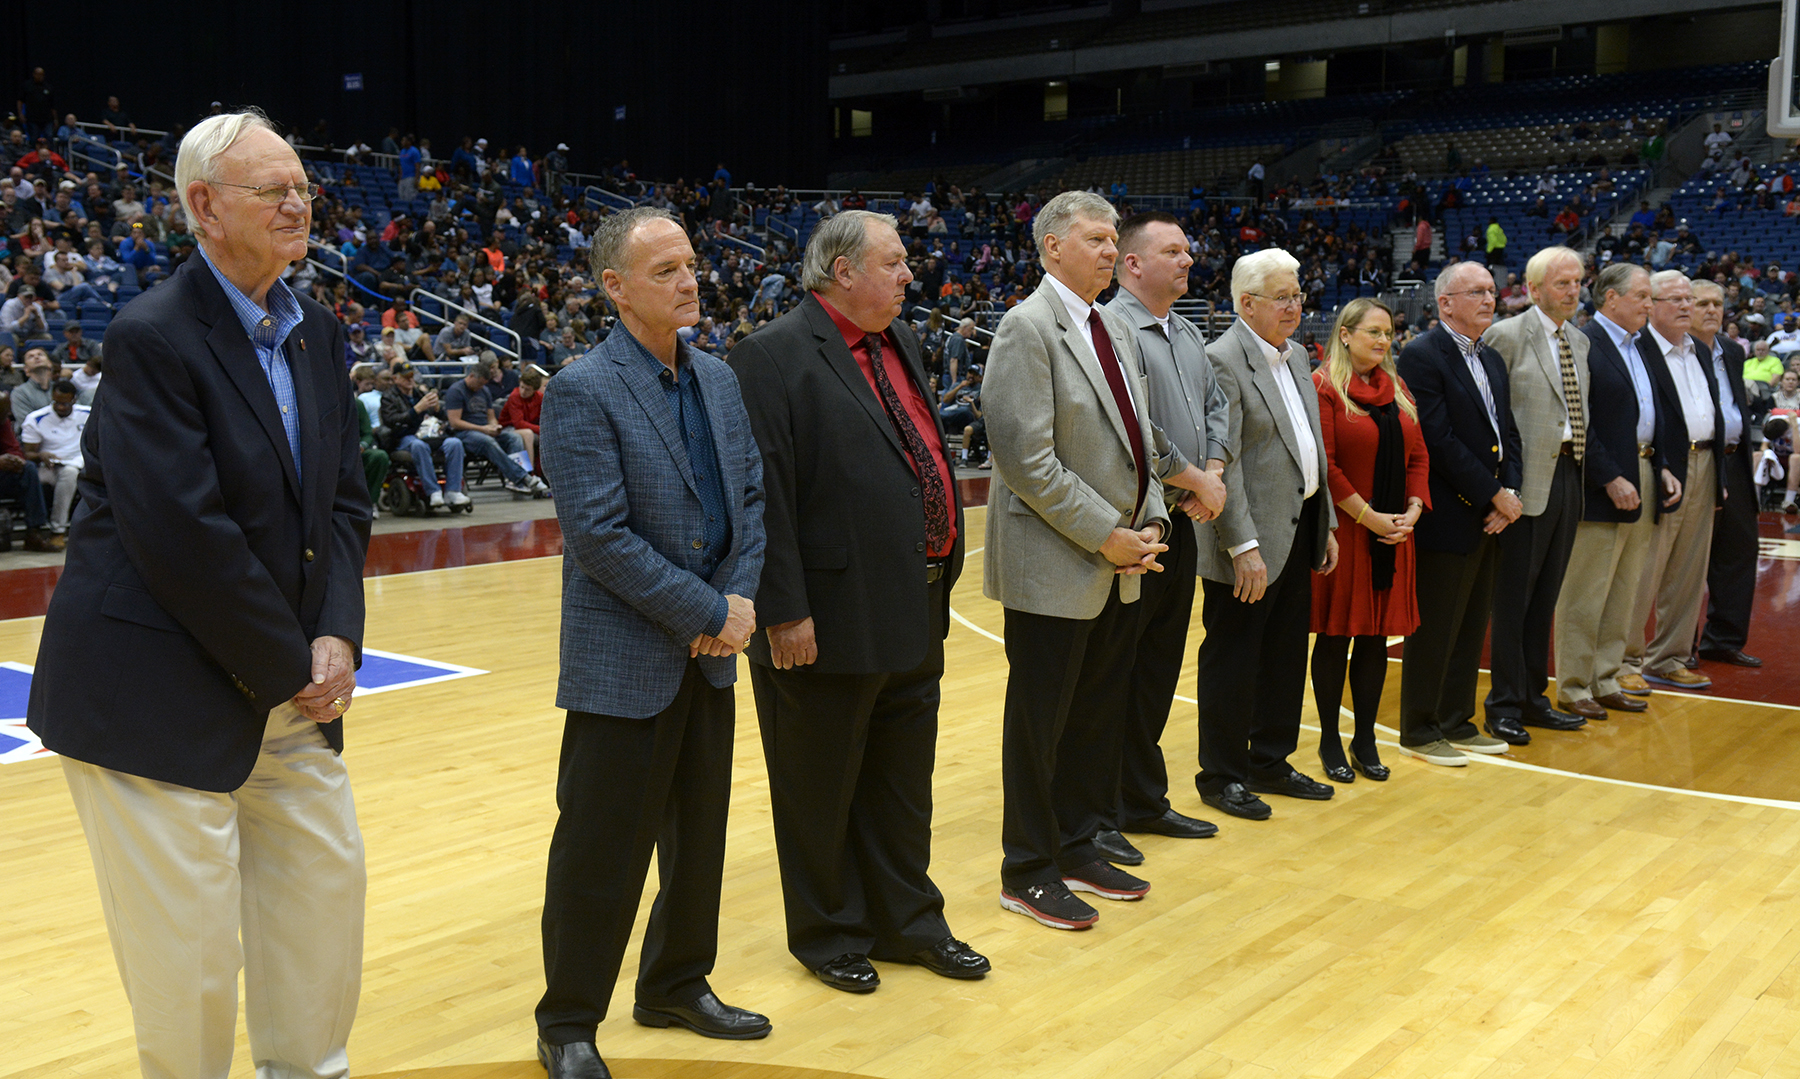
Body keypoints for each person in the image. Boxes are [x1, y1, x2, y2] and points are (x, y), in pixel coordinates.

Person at [26, 109, 371, 1079]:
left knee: (321, 914)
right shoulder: (152, 336)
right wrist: (293, 663)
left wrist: (338, 633)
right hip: (155, 697)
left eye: (303, 183)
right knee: (191, 971)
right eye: (276, 188)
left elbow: (347, 499)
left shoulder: (320, 332)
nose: (299, 200)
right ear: (205, 208)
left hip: (285, 681)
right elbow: (183, 534)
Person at [729, 209, 990, 994]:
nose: (911, 273)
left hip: (914, 600)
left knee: (902, 781)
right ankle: (827, 929)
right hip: (825, 615)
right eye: (896, 261)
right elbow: (762, 491)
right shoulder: (768, 356)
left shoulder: (899, 340)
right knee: (818, 783)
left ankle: (909, 921)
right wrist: (783, 609)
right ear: (844, 272)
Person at [535, 206, 769, 1078]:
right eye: (665, 269)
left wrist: (738, 599)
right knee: (600, 851)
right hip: (628, 659)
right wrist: (709, 612)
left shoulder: (719, 379)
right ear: (615, 288)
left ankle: (676, 981)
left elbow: (749, 500)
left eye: (691, 264)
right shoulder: (583, 387)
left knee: (698, 840)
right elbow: (598, 538)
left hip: (711, 652)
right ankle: (567, 1022)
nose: (688, 280)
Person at [982, 190, 1217, 931]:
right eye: (1095, 239)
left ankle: (1078, 841)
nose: (1111, 250)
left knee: (1092, 714)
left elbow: (1140, 434)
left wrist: (1165, 502)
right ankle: (1027, 867)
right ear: (1053, 247)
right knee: (1040, 721)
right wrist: (1106, 534)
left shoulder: (1104, 325)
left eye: (1115, 238)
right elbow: (1027, 460)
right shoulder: (1027, 328)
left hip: (1119, 556)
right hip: (1060, 558)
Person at [1096, 210, 1229, 866]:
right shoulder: (1115, 329)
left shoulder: (1185, 331)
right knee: (1115, 674)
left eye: (1188, 250)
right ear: (1133, 264)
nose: (1187, 259)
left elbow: (1216, 407)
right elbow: (1140, 429)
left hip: (1179, 521)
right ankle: (1103, 807)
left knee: (1155, 671)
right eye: (1172, 251)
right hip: (1135, 527)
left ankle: (1143, 798)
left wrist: (1214, 473)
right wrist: (1197, 479)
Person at [1191, 248, 1340, 820]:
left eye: (1298, 296)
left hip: (1299, 527)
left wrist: (1323, 522)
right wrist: (1242, 544)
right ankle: (1222, 774)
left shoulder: (1298, 355)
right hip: (1246, 539)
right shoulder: (1220, 360)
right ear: (1246, 303)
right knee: (1233, 657)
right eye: (1283, 297)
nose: (1295, 306)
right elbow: (1226, 464)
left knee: (1283, 655)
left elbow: (1310, 447)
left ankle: (1270, 760)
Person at [1395, 262, 1521, 765]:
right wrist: (1492, 493)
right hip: (1449, 513)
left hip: (1489, 512)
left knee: (1471, 625)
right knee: (1436, 627)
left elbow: (1506, 433)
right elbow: (1437, 440)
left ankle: (1457, 721)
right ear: (1445, 302)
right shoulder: (1423, 355)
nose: (1490, 299)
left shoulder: (1490, 357)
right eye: (1477, 292)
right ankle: (1420, 730)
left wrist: (1508, 491)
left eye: (1492, 291)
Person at [1551, 264, 1681, 721]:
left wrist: (1660, 464)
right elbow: (1578, 419)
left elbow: (1649, 411)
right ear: (1610, 299)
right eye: (1643, 296)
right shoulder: (1584, 343)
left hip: (1642, 469)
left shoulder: (1639, 345)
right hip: (1601, 481)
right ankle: (1571, 684)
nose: (1650, 305)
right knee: (1587, 589)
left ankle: (1605, 677)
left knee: (1624, 588)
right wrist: (1608, 476)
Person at [1309, 298, 1428, 783]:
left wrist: (1414, 509)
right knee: (1337, 639)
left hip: (1395, 532)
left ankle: (1365, 739)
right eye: (1372, 332)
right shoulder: (1324, 388)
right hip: (1349, 534)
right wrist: (1368, 517)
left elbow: (1419, 456)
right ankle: (1330, 740)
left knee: (1377, 639)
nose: (1383, 341)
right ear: (1345, 334)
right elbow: (1326, 464)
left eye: (1388, 332)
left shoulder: (1397, 388)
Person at [1481, 245, 1590, 743]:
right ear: (1534, 288)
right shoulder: (1505, 336)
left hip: (1569, 474)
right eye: (1563, 284)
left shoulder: (1579, 342)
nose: (1573, 291)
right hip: (1523, 484)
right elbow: (1490, 417)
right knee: (1512, 600)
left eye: (1577, 282)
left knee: (1545, 597)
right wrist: (1500, 486)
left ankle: (1532, 696)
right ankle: (1502, 703)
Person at [1625, 271, 1723, 691]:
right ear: (1651, 304)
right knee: (1644, 569)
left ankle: (1669, 657)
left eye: (1690, 299)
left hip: (1706, 463)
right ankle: (1626, 660)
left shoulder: (1700, 351)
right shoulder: (1640, 349)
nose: (1686, 306)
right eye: (1675, 299)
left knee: (1689, 569)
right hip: (1663, 466)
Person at [1693, 279, 1761, 668]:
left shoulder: (1733, 352)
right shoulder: (1679, 352)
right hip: (1699, 459)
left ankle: (1723, 639)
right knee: (1688, 557)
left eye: (1717, 303)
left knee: (1738, 550)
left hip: (1734, 461)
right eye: (1702, 303)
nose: (1711, 310)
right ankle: (1679, 645)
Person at [444, 352, 547, 496]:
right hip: (465, 433)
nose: (481, 387)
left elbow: (491, 416)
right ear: (472, 376)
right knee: (488, 442)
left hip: (484, 430)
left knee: (514, 438)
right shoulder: (456, 391)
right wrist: (483, 429)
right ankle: (523, 477)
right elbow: (455, 423)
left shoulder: (484, 390)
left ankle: (516, 482)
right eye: (479, 383)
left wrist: (494, 426)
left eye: (484, 384)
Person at [379, 362, 469, 509]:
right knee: (418, 445)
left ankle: (453, 491)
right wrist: (415, 410)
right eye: (405, 377)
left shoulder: (419, 394)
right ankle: (433, 491)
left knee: (455, 443)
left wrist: (438, 410)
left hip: (429, 435)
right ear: (395, 378)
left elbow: (441, 417)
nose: (410, 380)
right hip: (403, 437)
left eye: (411, 377)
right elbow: (391, 421)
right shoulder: (388, 397)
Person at [17, 378, 88, 539]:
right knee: (36, 479)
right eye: (56, 402)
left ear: (74, 400)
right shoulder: (36, 418)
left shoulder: (87, 414)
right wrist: (41, 454)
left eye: (66, 403)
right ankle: (40, 530)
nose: (61, 407)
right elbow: (27, 454)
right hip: (49, 465)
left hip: (80, 463)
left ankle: (58, 530)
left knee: (70, 473)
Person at [0, 390, 58, 550]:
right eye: (4, 413)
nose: (8, 416)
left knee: (28, 468)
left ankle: (34, 532)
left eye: (6, 413)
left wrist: (16, 459)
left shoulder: (2, 421)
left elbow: (13, 448)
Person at [498, 363, 547, 473]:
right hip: (508, 428)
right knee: (528, 434)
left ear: (535, 390)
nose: (523, 392)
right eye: (522, 387)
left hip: (528, 427)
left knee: (548, 435)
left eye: (527, 389)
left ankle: (544, 472)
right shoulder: (514, 397)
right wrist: (541, 430)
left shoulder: (539, 397)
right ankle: (529, 472)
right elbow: (519, 423)